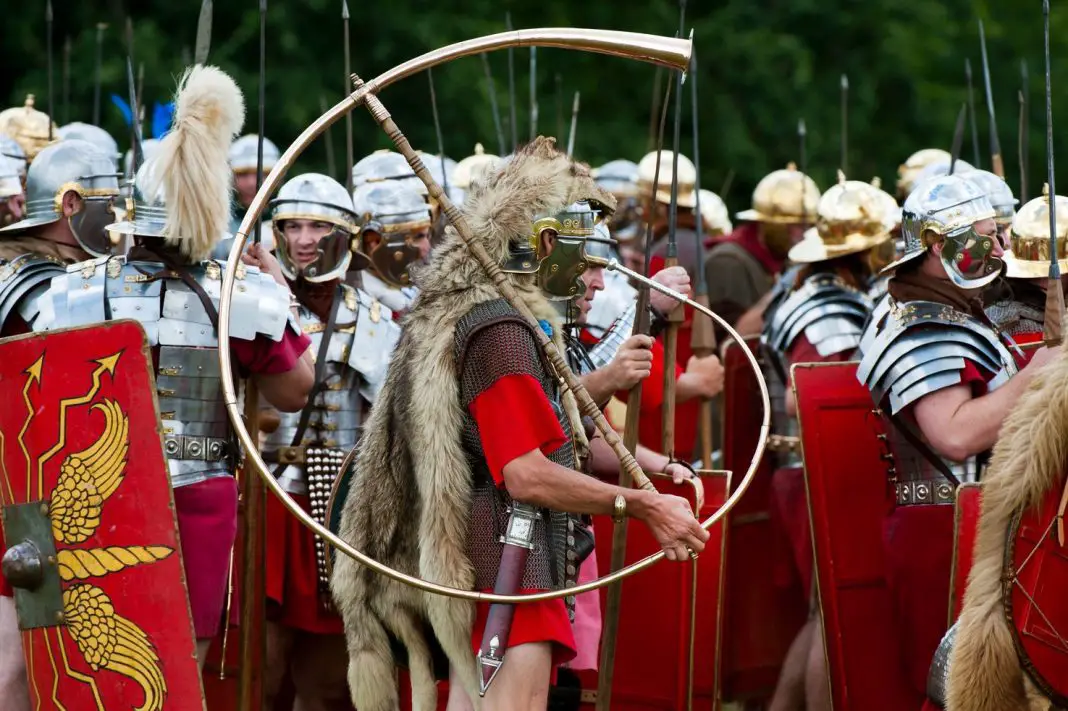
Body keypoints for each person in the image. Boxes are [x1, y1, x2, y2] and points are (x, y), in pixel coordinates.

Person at [331, 137, 708, 711]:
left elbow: (556, 445)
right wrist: (646, 507)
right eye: (588, 259)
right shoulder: (502, 334)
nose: (600, 281)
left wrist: (655, 476)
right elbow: (526, 474)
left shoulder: (510, 325)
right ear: (548, 244)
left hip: (516, 557)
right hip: (508, 560)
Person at [31, 64, 314, 669]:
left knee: (93, 669)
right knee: (180, 667)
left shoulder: (69, 293)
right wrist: (279, 298)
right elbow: (294, 391)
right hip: (200, 495)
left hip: (91, 492)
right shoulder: (242, 295)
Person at [855, 173, 1055, 706]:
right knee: (955, 687)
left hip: (967, 522)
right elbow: (956, 435)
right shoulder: (925, 323)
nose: (1001, 247)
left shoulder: (953, 307)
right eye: (987, 236)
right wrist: (1042, 369)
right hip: (944, 525)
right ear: (940, 244)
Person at [261, 171, 400, 710]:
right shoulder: (244, 301)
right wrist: (271, 296)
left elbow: (386, 425)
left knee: (327, 680)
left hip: (335, 508)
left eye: (318, 225)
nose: (302, 239)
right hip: (266, 499)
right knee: (262, 667)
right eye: (291, 225)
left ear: (343, 233)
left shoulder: (373, 319)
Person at [761, 176, 898, 711]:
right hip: (816, 469)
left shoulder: (818, 292)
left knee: (824, 613)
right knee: (830, 614)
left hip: (811, 472)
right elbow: (815, 395)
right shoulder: (828, 307)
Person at [0, 135, 122, 711]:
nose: (117, 217)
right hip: (18, 493)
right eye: (108, 202)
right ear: (72, 205)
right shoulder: (40, 287)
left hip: (33, 488)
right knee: (16, 664)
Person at [704, 163, 819, 342]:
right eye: (797, 226)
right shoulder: (727, 262)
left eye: (810, 226)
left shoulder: (785, 259)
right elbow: (730, 343)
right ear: (771, 225)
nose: (804, 234)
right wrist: (789, 284)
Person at [351, 178, 432, 314]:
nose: (427, 247)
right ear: (374, 243)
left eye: (426, 236)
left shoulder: (411, 289)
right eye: (418, 237)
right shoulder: (359, 303)